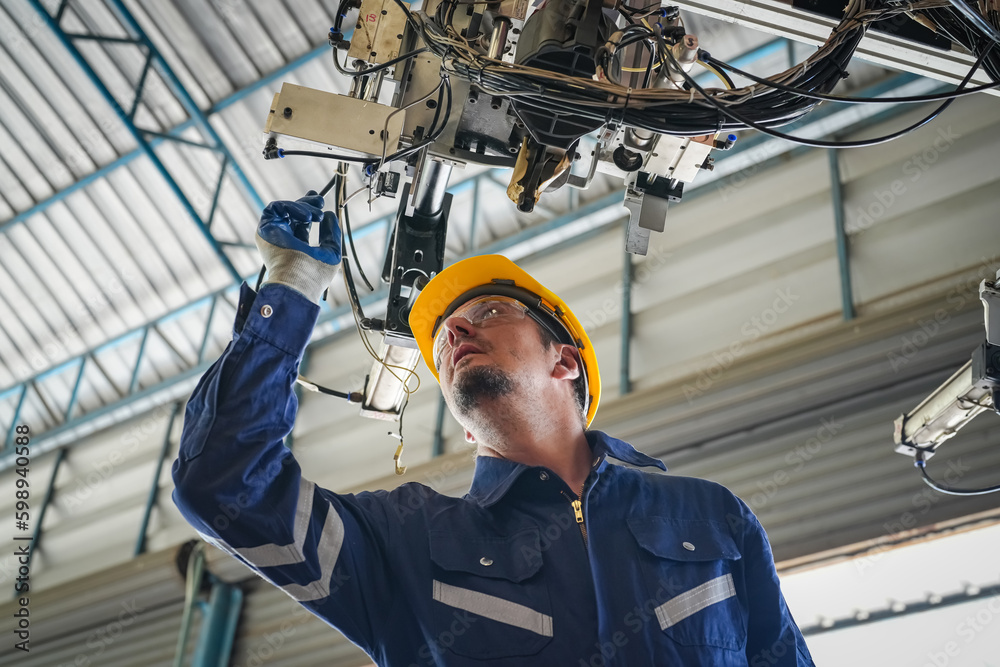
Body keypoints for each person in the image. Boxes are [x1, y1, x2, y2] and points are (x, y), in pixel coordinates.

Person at [172, 192, 815, 666]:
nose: (455, 331)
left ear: (563, 360)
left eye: (488, 310)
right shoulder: (406, 542)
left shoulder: (708, 518)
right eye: (445, 334)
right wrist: (294, 284)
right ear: (462, 425)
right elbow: (224, 486)